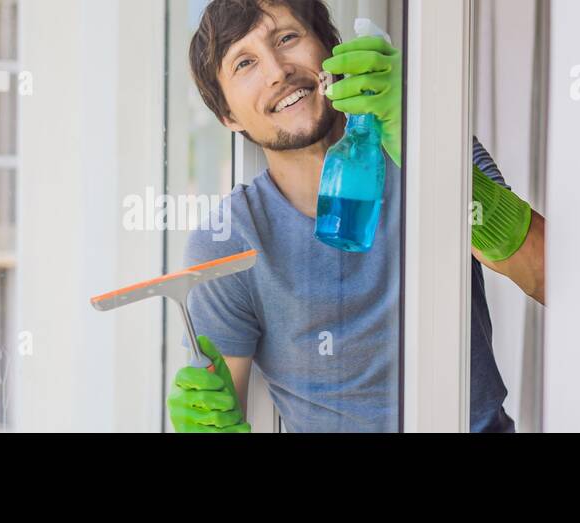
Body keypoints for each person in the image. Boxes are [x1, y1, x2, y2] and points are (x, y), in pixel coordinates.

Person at [168, 0, 546, 433]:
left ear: (331, 49)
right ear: (228, 116)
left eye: (287, 38)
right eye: (245, 63)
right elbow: (222, 405)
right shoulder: (228, 240)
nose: (277, 71)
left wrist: (431, 153)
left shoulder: (433, 144)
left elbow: (547, 276)